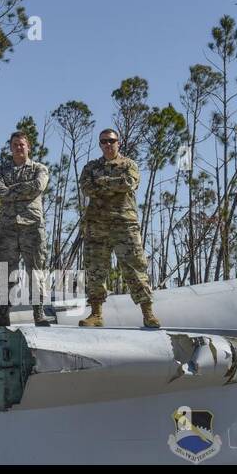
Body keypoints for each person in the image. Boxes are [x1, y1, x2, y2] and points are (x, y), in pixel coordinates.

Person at [78, 129, 159, 328]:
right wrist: (113, 184)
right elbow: (87, 187)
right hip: (97, 225)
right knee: (95, 270)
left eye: (111, 141)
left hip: (124, 224)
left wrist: (102, 183)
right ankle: (96, 314)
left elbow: (129, 183)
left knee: (135, 268)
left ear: (118, 143)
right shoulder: (91, 167)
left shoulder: (128, 164)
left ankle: (148, 313)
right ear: (100, 144)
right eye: (104, 141)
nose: (108, 144)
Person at [0, 131, 50, 327]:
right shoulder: (1, 171)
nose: (18, 147)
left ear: (28, 147)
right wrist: (22, 189)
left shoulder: (40, 168)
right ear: (10, 147)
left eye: (22, 144)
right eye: (15, 144)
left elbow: (38, 186)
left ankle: (39, 313)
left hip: (32, 226)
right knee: (5, 271)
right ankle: (3, 313)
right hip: (8, 228)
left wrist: (11, 190)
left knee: (36, 270)